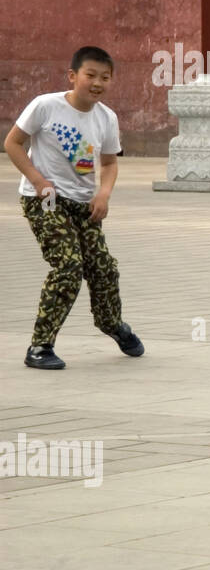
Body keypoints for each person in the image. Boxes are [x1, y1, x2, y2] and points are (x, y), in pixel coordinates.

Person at [4, 46, 144, 370]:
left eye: (105, 78)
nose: (97, 83)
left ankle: (112, 325)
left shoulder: (107, 118)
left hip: (84, 204)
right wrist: (38, 180)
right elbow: (12, 143)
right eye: (90, 75)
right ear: (73, 76)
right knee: (68, 265)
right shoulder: (45, 106)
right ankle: (40, 346)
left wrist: (103, 194)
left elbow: (109, 163)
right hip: (46, 199)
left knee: (103, 268)